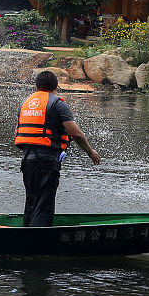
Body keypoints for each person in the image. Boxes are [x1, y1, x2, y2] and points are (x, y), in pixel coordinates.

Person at [15, 69, 101, 227]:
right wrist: (90, 152)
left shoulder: (26, 103)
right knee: (44, 205)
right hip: (46, 162)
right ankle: (38, 246)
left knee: (32, 202)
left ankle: (24, 239)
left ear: (36, 86)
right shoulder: (57, 104)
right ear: (56, 87)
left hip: (27, 161)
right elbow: (77, 135)